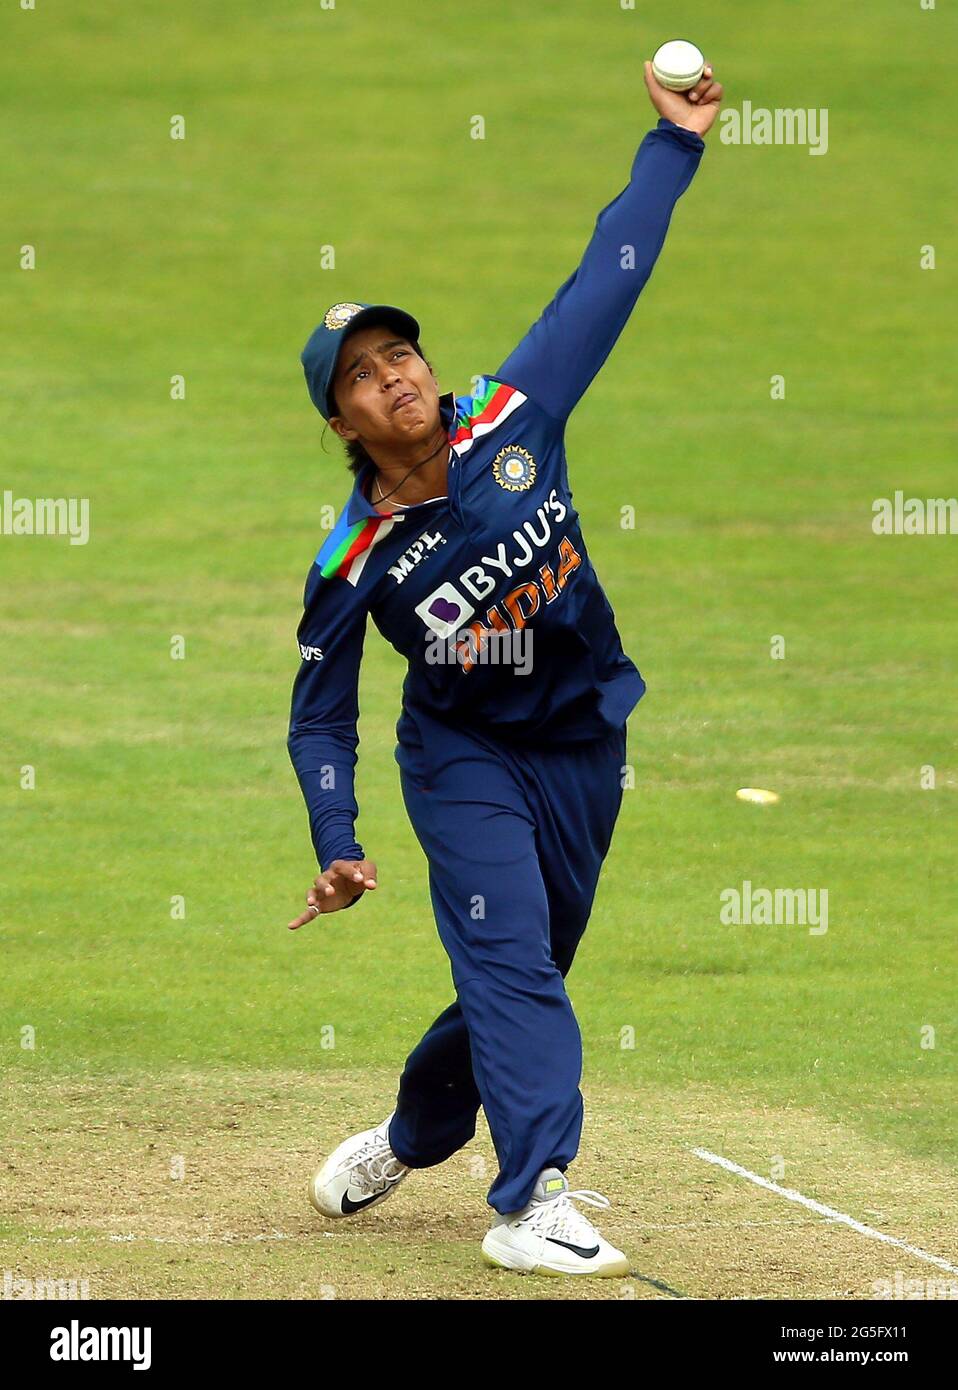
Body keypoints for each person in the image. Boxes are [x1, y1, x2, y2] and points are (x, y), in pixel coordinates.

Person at [286, 61, 722, 1277]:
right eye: (368, 376)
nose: (400, 375)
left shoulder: (514, 418)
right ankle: (532, 1199)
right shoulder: (355, 558)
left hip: (584, 738)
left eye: (403, 353)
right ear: (345, 424)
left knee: (524, 968)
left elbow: (606, 278)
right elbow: (319, 714)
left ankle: (411, 1131)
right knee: (513, 955)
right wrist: (337, 833)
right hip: (464, 755)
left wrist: (672, 146)